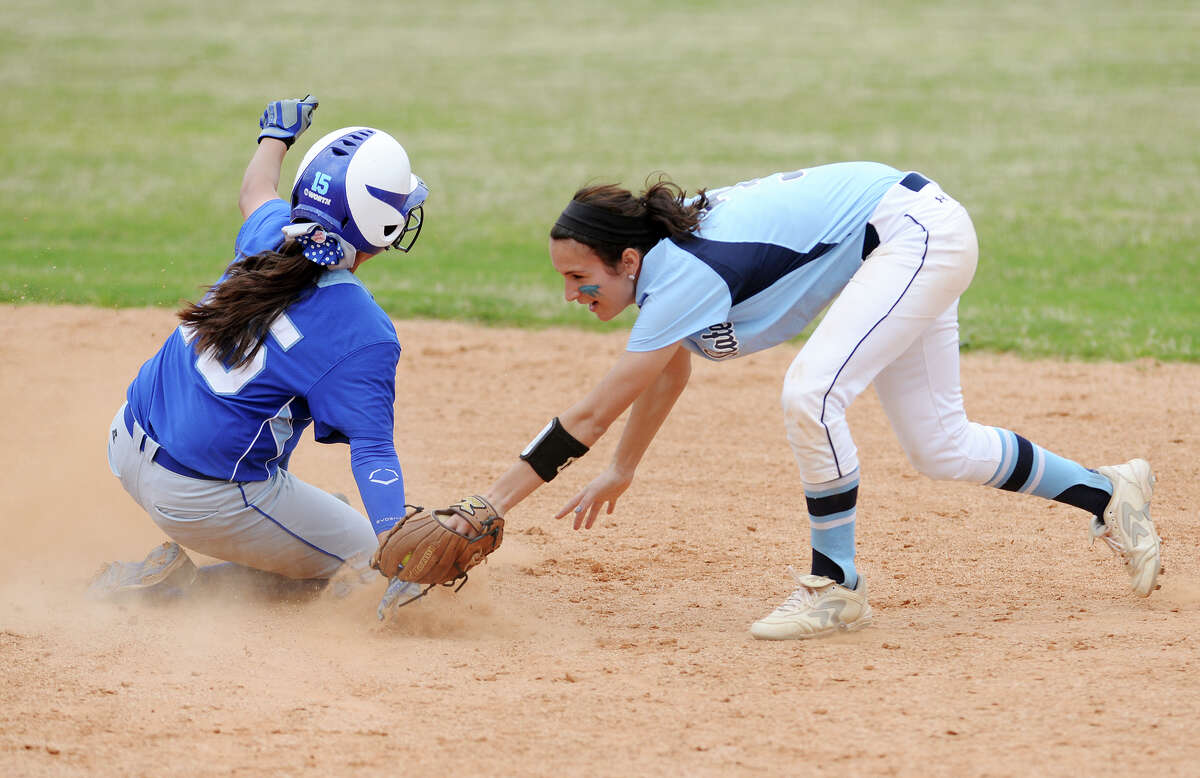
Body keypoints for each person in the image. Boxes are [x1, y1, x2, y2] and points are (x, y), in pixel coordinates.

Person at [460, 162, 1162, 640]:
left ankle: (836, 586)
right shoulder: (665, 271)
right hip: (903, 241)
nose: (571, 295)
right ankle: (1108, 493)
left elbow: (589, 412)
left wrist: (487, 508)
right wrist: (624, 467)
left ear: (628, 261)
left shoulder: (683, 273)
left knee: (811, 392)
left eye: (580, 277)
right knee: (941, 447)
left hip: (912, 234)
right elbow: (667, 373)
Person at [91, 96, 430, 611]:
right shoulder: (362, 329)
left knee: (323, 517)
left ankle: (252, 542)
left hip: (126, 438)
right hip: (197, 493)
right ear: (380, 231)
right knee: (364, 556)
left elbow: (255, 188)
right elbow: (373, 453)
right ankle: (181, 588)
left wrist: (276, 133)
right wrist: (396, 553)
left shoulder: (273, 231)